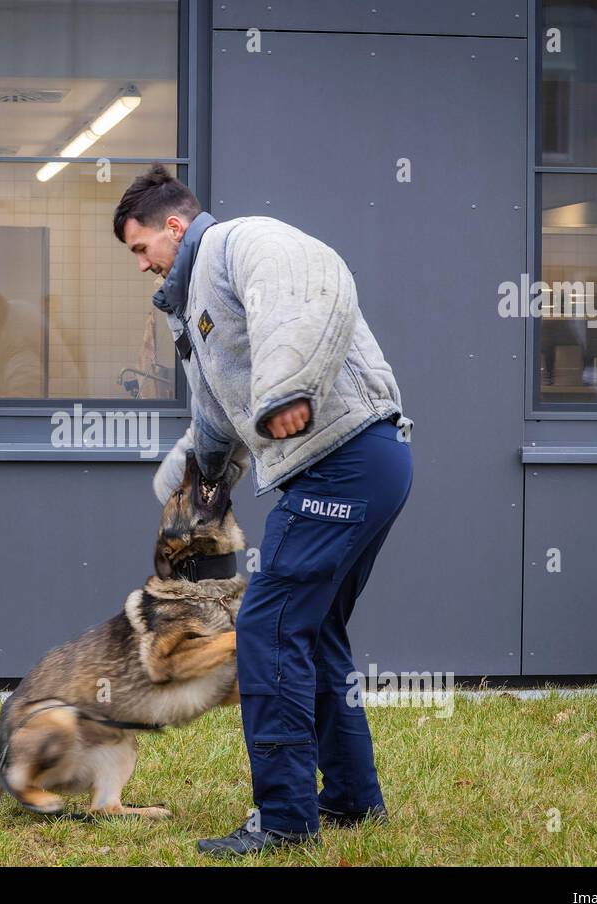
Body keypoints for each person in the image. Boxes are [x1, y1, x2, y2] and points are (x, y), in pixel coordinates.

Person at [113, 165, 414, 856]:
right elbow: (217, 417)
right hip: (363, 461)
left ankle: (283, 820)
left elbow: (309, 288)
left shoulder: (243, 243)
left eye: (140, 249)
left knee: (267, 629)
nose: (140, 266)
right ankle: (352, 799)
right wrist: (198, 483)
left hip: (346, 459)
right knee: (313, 631)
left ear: (175, 228)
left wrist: (288, 390)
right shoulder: (196, 308)